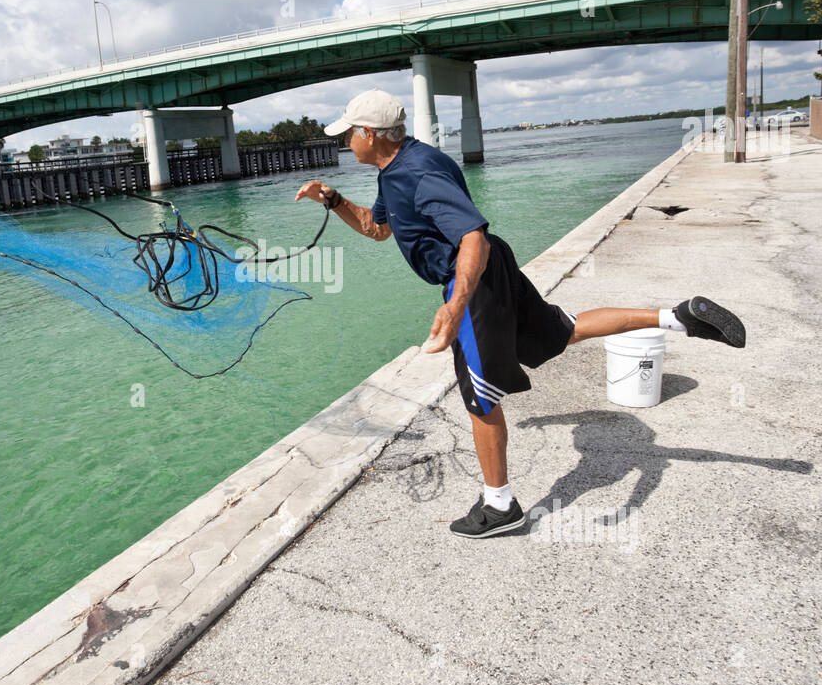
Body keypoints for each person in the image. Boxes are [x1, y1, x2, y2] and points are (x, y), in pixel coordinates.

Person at [296, 88, 746, 539]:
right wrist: (333, 201)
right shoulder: (399, 167)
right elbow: (378, 230)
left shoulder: (416, 173)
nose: (344, 143)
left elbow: (472, 236)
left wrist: (455, 306)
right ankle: (678, 317)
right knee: (565, 330)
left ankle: (500, 505)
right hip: (495, 269)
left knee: (480, 396)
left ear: (369, 134)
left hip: (473, 282)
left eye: (348, 135)